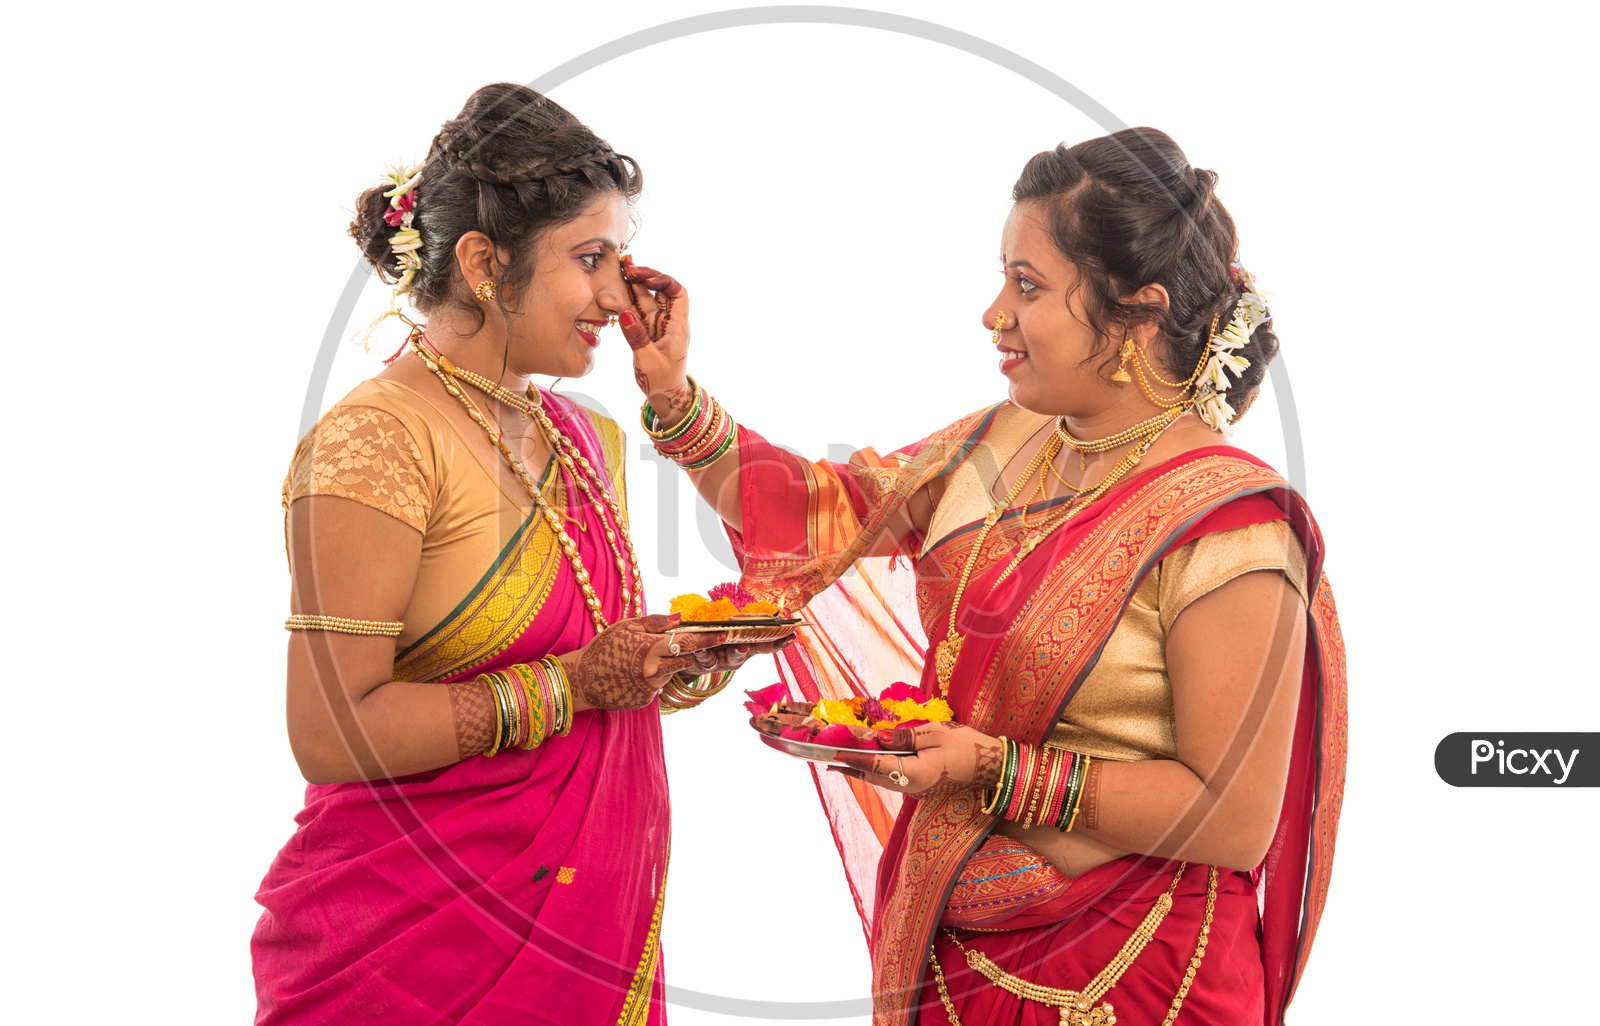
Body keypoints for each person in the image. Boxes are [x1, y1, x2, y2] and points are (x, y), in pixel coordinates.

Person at [619, 128, 1346, 1026]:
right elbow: (823, 512)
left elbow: (1234, 817)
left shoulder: (1231, 526)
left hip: (1136, 976)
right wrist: (674, 395)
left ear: (1140, 311)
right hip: (958, 954)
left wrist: (991, 769)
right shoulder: (1006, 440)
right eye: (1005, 278)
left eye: (1028, 285)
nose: (993, 312)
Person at [251, 83, 785, 1025]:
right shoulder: (377, 441)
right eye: (591, 261)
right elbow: (330, 735)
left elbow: (598, 665)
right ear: (483, 263)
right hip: (415, 954)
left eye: (622, 261)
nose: (620, 297)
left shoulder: (588, 435)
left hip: (590, 932)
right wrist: (576, 685)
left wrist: (676, 658)